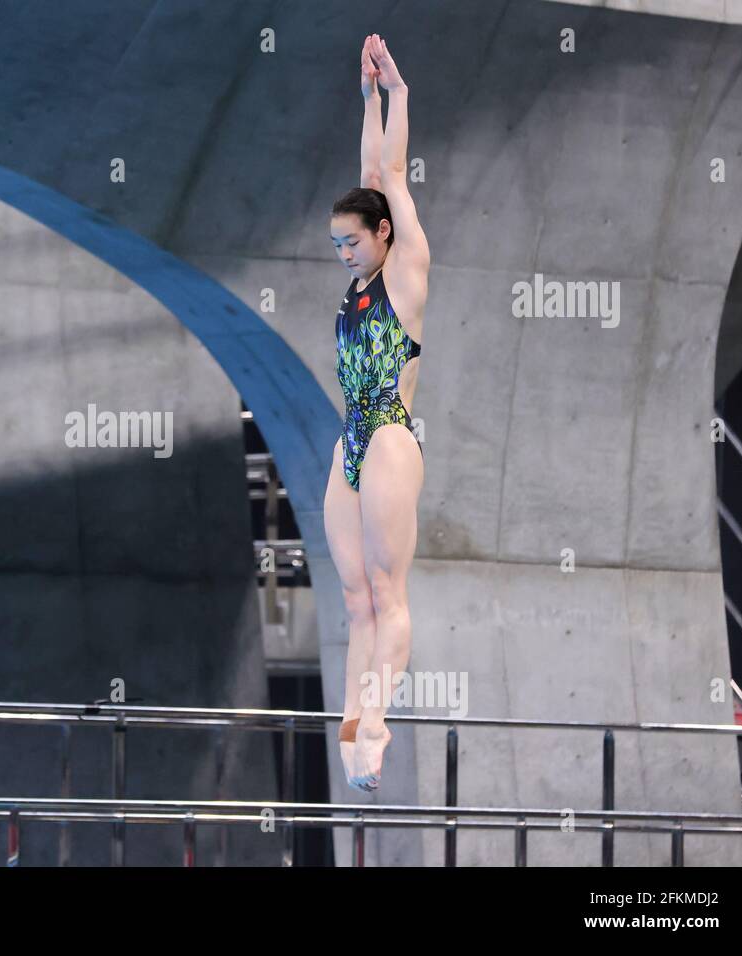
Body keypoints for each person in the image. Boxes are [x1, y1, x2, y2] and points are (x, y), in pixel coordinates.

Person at [325, 35, 429, 792]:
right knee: (356, 598)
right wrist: (363, 100)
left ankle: (379, 720)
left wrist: (398, 91)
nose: (343, 254)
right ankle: (354, 725)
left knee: (388, 594)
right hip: (349, 440)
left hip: (390, 434)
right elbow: (367, 175)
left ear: (385, 235)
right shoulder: (362, 275)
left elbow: (388, 175)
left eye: (352, 243)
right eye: (335, 245)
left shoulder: (406, 273)